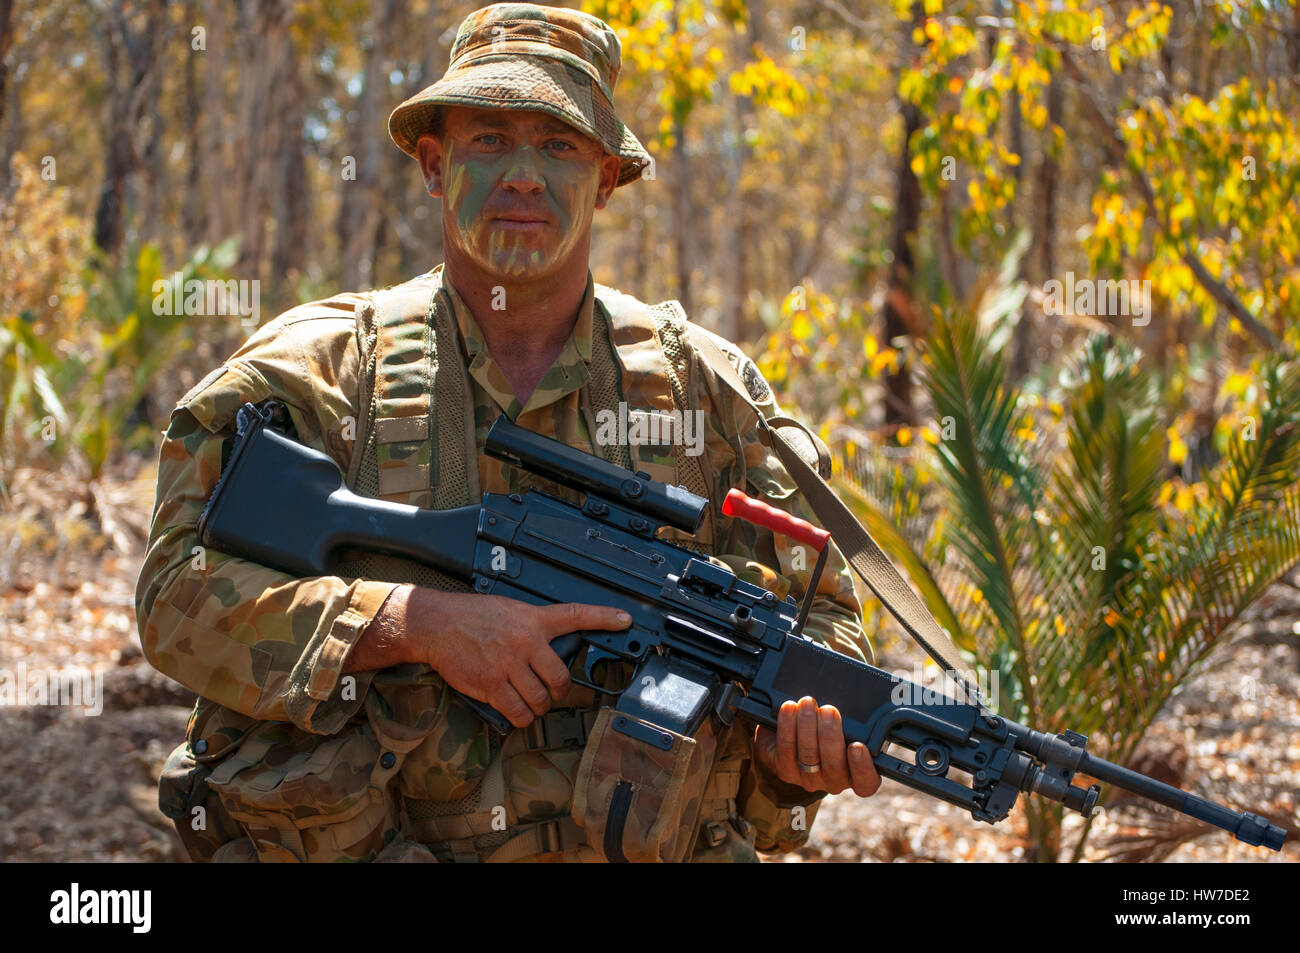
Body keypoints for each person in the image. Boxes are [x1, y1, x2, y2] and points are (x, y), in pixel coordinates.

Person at [138, 2, 879, 864]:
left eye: (559, 144)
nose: (524, 175)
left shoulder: (707, 394)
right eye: (489, 139)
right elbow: (173, 596)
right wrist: (412, 623)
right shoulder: (320, 373)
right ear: (433, 162)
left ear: (605, 178)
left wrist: (801, 748)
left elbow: (822, 623)